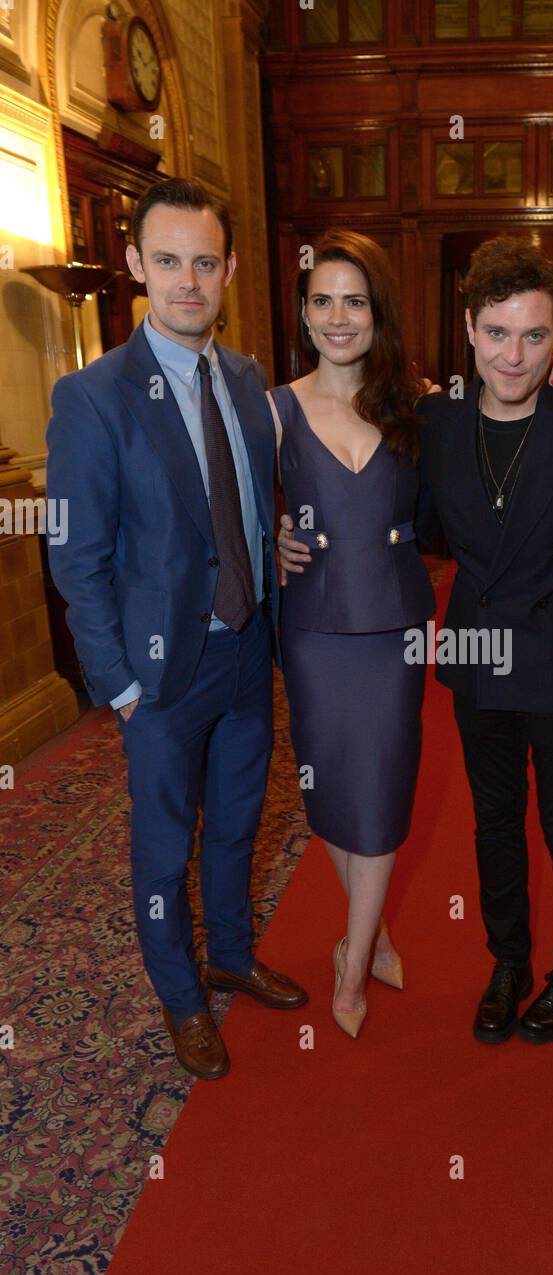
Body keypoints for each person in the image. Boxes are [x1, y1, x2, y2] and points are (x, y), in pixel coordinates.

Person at [281, 238, 553, 1045]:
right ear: (470, 329)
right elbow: (379, 511)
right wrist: (277, 534)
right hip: (476, 657)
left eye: (535, 337)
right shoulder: (431, 417)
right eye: (498, 333)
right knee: (495, 823)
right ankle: (506, 962)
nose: (514, 355)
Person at [46, 178, 308, 1082]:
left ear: (229, 269)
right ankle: (182, 995)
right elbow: (76, 556)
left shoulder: (243, 380)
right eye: (168, 262)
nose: (188, 281)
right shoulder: (92, 396)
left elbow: (230, 510)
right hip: (157, 677)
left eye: (204, 262)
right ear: (134, 267)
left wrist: (266, 550)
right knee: (165, 848)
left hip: (244, 652)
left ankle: (231, 953)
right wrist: (116, 684)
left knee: (239, 823)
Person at [268, 232, 436, 1038]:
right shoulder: (272, 408)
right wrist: (267, 533)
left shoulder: (419, 404)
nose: (339, 317)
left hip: (394, 627)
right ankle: (372, 932)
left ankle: (352, 955)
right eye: (323, 300)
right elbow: (223, 506)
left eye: (355, 301)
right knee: (328, 787)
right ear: (304, 315)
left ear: (378, 313)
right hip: (311, 630)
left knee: (384, 784)